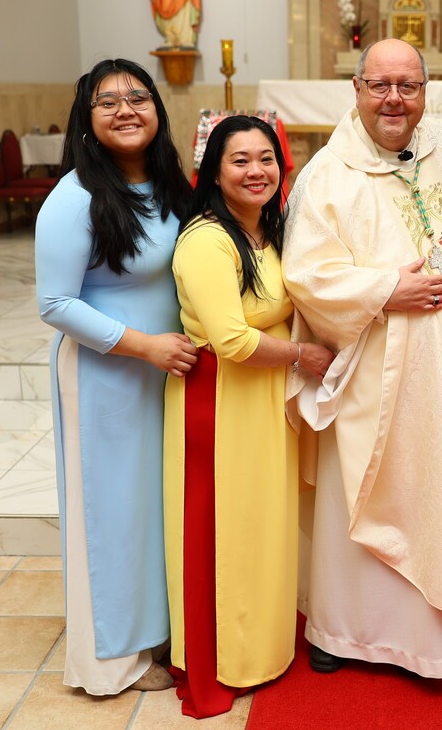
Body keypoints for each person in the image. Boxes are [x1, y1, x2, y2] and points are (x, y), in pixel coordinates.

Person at [282, 38, 442, 679]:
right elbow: (307, 275)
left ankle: (433, 626)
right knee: (369, 493)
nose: (394, 99)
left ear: (427, 90)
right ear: (356, 89)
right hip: (376, 373)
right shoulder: (329, 172)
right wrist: (385, 290)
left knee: (439, 487)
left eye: (408, 86)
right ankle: (343, 630)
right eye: (381, 85)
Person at [162, 115, 333, 718]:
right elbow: (232, 340)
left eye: (267, 159)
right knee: (224, 531)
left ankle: (261, 647)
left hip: (263, 399)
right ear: (213, 170)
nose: (256, 171)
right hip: (222, 396)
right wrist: (304, 354)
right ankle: (222, 659)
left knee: (263, 524)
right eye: (240, 160)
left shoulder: (269, 230)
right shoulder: (207, 239)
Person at [36, 58, 197, 696]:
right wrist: (142, 347)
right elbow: (54, 303)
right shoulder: (73, 196)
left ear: (157, 109)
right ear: (88, 119)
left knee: (149, 509)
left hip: (161, 371)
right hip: (109, 376)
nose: (125, 109)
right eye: (108, 102)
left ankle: (151, 628)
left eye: (138, 96)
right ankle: (110, 661)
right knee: (112, 513)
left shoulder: (166, 183)